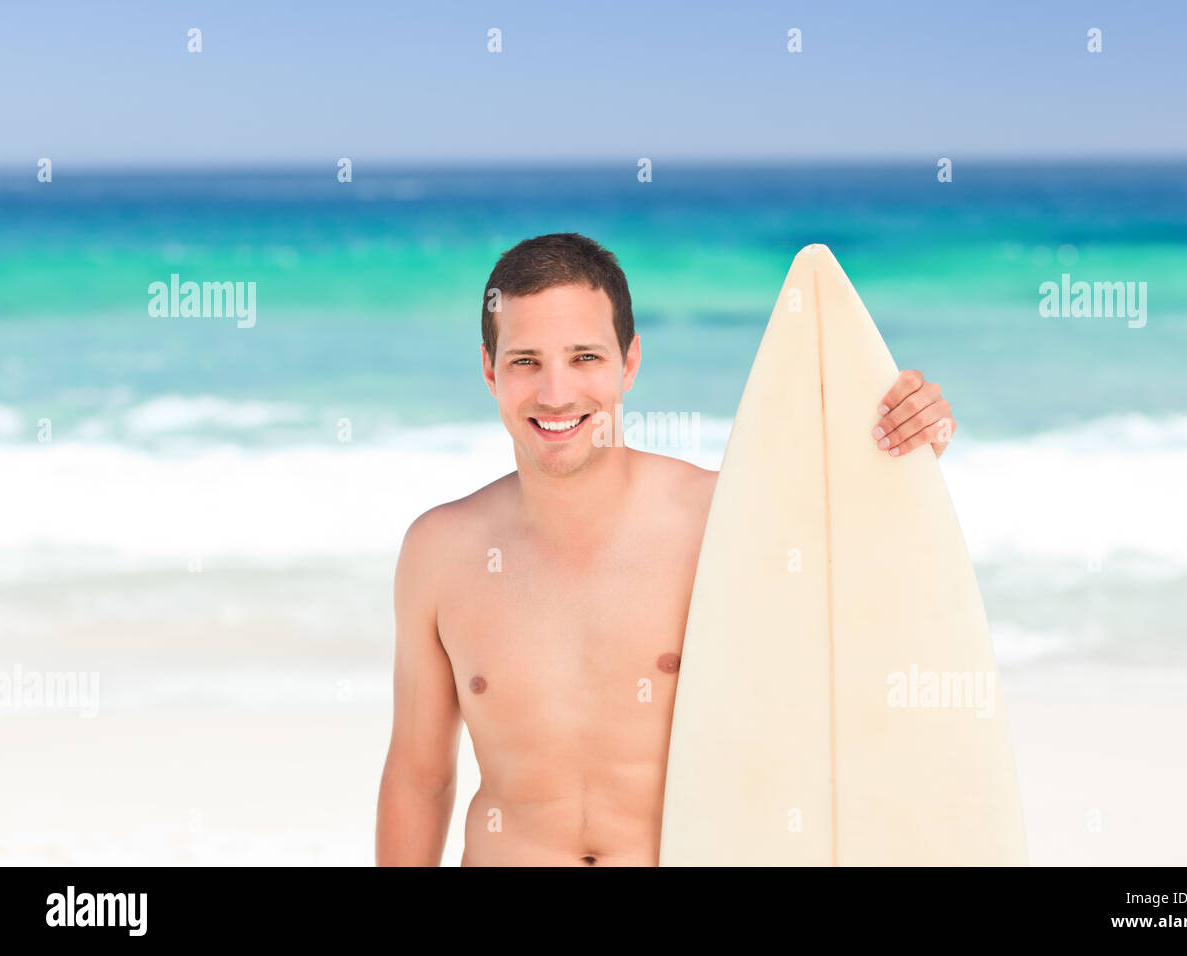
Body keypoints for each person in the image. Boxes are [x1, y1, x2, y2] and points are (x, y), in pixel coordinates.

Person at [375, 233, 956, 866]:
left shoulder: (722, 519)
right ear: (489, 369)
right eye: (525, 361)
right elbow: (419, 776)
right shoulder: (440, 552)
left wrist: (913, 440)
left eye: (584, 357)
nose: (555, 393)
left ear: (629, 362)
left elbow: (866, 564)